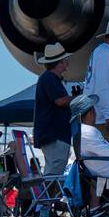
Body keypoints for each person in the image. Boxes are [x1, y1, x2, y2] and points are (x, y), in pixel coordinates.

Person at [32, 43, 73, 180]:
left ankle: (47, 201)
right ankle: (46, 201)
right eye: (66, 59)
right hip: (55, 135)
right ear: (60, 62)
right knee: (54, 173)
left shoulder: (48, 78)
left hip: (53, 134)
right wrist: (77, 98)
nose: (68, 61)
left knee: (54, 170)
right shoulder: (50, 78)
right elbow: (59, 101)